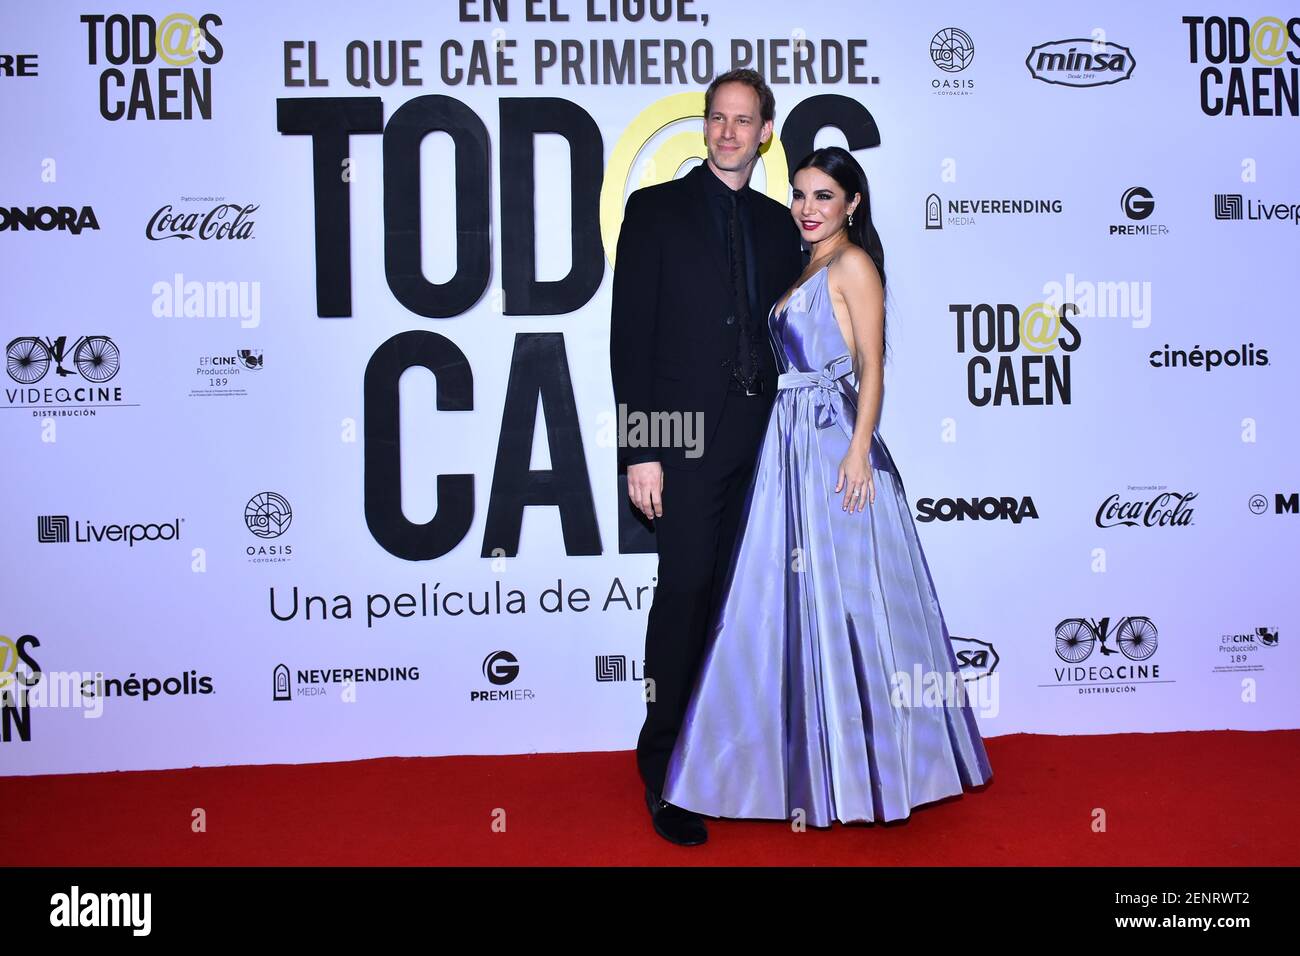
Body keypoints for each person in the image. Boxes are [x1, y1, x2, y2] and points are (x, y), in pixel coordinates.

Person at [661, 146, 994, 828]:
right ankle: (802, 760)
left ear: (852, 204)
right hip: (787, 441)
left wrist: (858, 450)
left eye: (822, 196)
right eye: (799, 194)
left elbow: (871, 365)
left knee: (850, 604)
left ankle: (872, 767)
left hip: (831, 439)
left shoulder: (853, 264)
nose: (807, 208)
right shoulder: (805, 263)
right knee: (789, 605)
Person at [609, 69, 804, 846]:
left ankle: (730, 757)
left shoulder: (777, 223)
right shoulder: (653, 211)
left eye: (743, 120)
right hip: (682, 438)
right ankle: (663, 773)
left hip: (764, 440)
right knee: (685, 595)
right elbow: (631, 340)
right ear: (705, 127)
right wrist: (642, 450)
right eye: (716, 118)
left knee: (740, 605)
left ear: (765, 133)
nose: (727, 131)